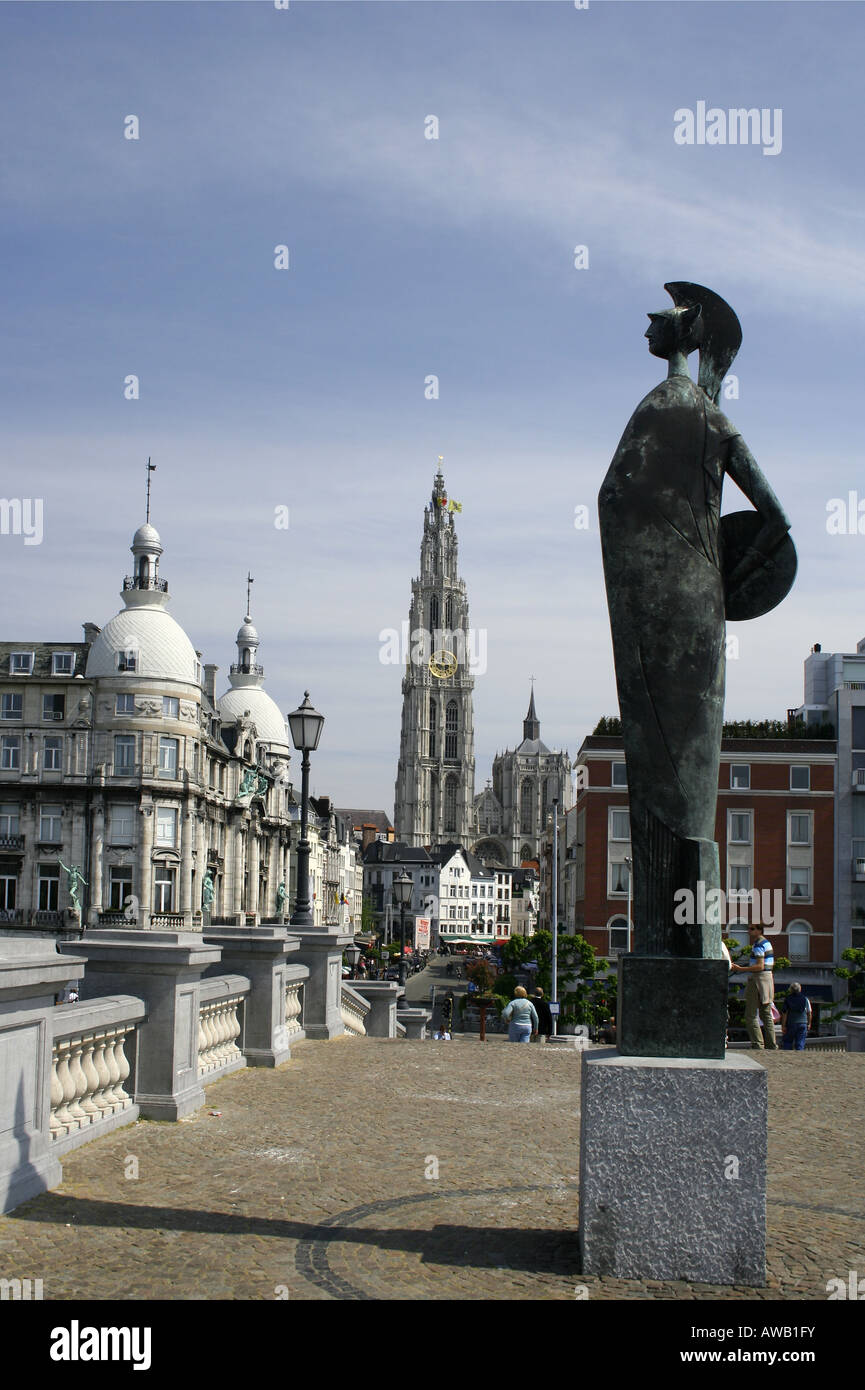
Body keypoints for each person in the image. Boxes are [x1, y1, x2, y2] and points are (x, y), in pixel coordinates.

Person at [731, 923, 778, 1050]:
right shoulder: (767, 943)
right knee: (766, 1014)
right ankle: (771, 1044)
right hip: (768, 979)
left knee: (750, 1014)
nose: (749, 931)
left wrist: (741, 969)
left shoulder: (758, 945)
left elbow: (759, 966)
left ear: (759, 930)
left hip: (757, 979)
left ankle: (757, 1044)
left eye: (752, 929)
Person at [780, 982, 811, 1051]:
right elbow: (809, 1012)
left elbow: (785, 1013)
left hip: (791, 1023)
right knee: (800, 1042)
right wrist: (809, 1023)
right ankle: (799, 1056)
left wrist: (783, 1025)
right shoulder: (805, 999)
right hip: (803, 1023)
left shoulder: (787, 999)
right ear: (800, 989)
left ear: (790, 990)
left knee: (787, 1042)